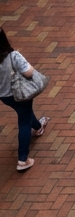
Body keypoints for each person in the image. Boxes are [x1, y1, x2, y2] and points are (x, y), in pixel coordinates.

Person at [0, 30, 47, 172]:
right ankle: (23, 159)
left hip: (4, 96)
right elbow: (29, 72)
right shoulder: (13, 56)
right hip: (19, 93)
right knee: (24, 121)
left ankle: (38, 126)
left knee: (24, 112)